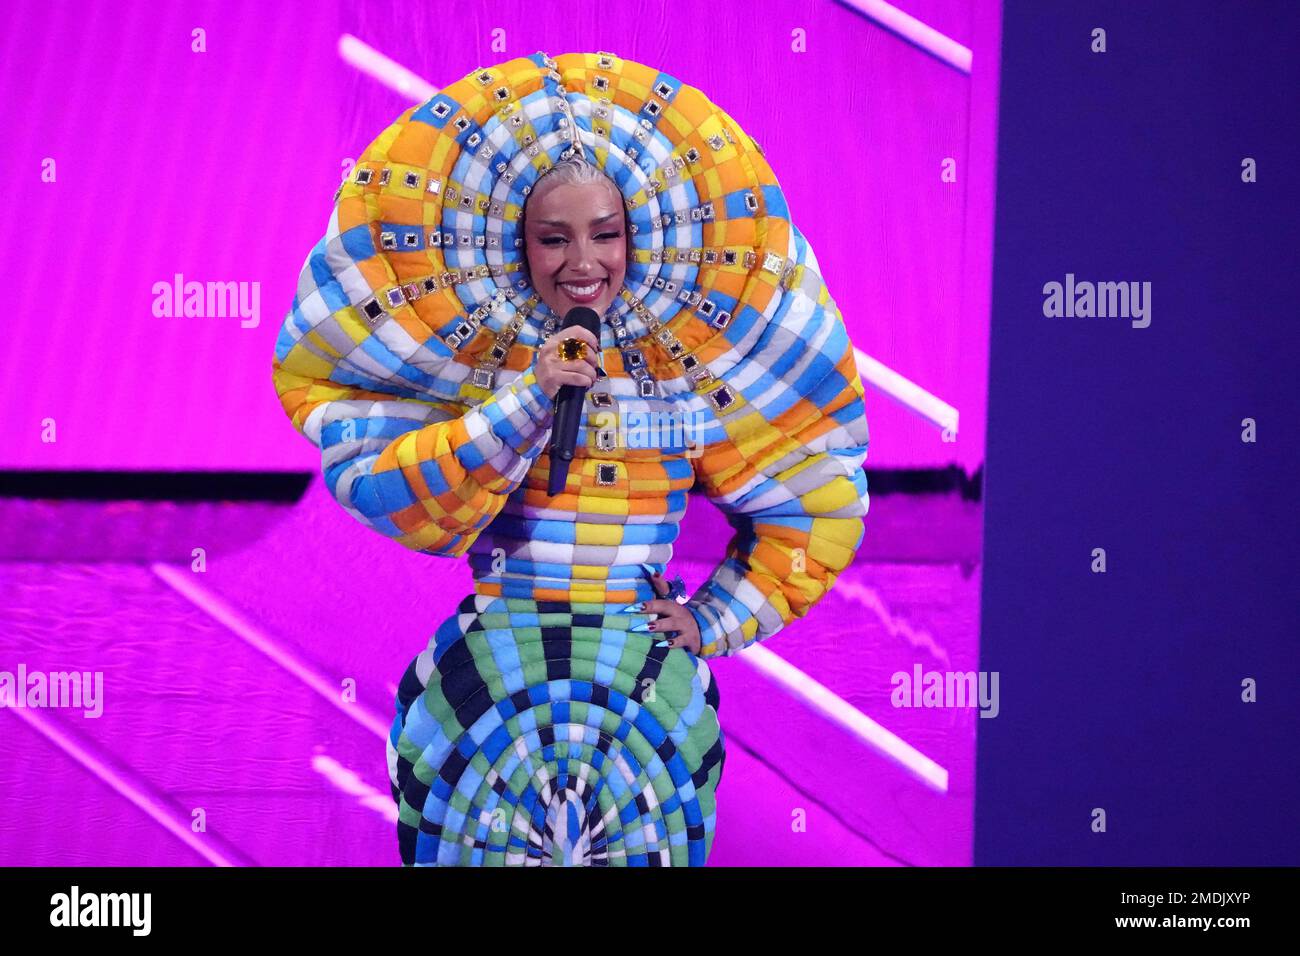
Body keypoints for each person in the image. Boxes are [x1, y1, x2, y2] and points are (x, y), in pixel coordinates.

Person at [271, 51, 869, 866]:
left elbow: (813, 497)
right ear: (520, 245)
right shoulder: (487, 373)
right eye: (554, 238)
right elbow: (392, 485)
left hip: (643, 691)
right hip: (491, 678)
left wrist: (714, 621)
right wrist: (529, 397)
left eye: (605, 234)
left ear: (638, 236)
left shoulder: (686, 373)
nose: (583, 263)